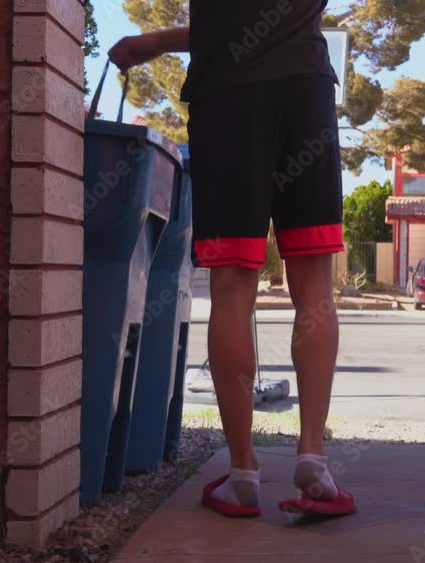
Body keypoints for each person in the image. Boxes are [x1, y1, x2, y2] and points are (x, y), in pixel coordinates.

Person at [109, 0, 354, 518]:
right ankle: (313, 455)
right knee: (314, 283)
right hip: (305, 87)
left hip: (229, 95)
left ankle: (243, 472)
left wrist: (153, 42)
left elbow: (233, 22)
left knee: (233, 287)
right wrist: (157, 43)